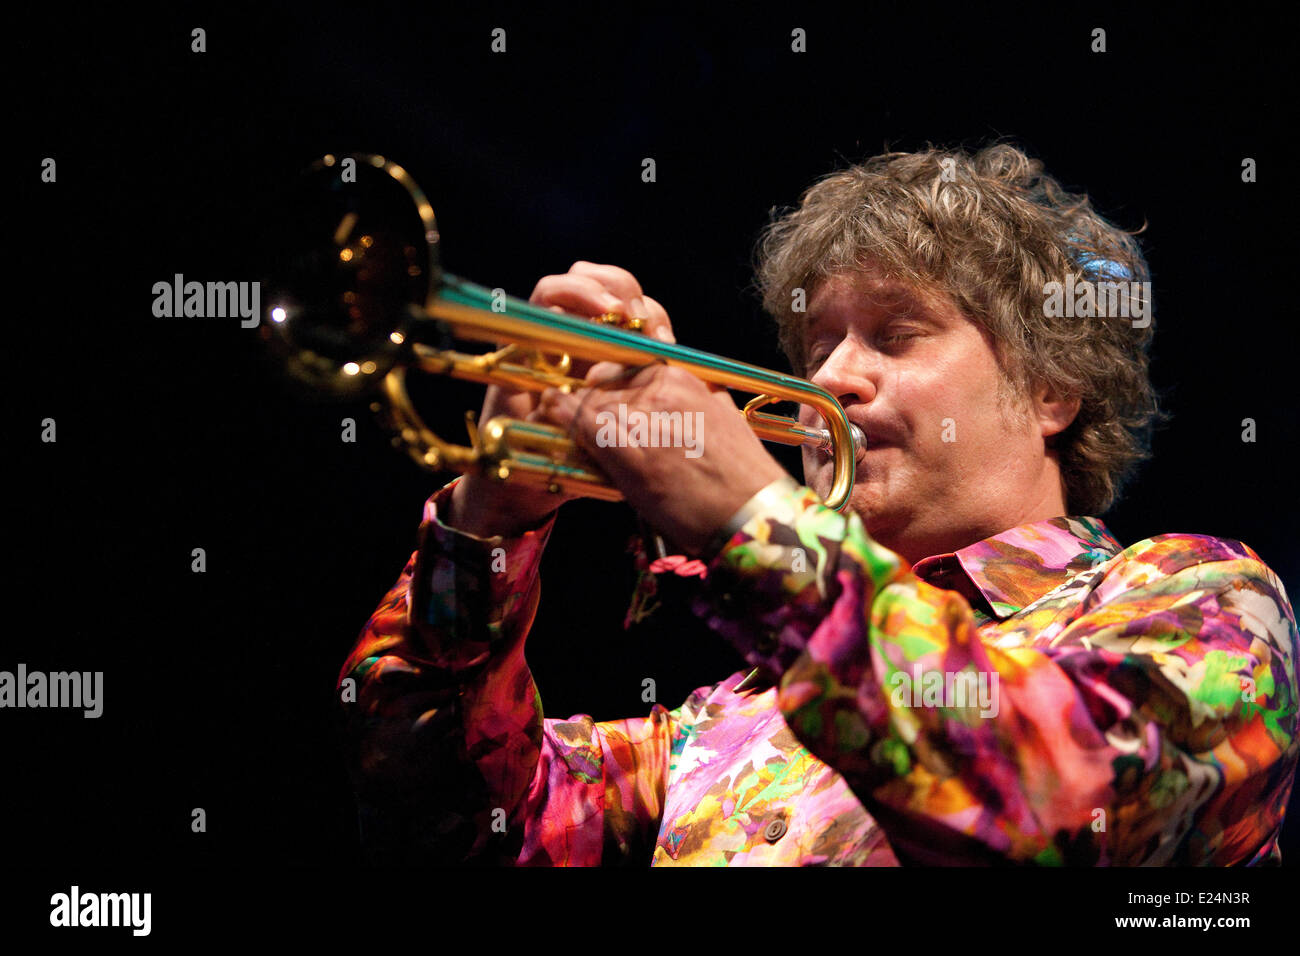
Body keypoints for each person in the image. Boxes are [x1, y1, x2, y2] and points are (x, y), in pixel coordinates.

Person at [336, 143, 1298, 865]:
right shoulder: (726, 722)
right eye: (820, 347)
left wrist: (748, 519)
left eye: (895, 333)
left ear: (1051, 387)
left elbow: (1057, 796)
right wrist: (488, 523)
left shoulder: (1198, 593)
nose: (833, 377)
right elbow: (444, 820)